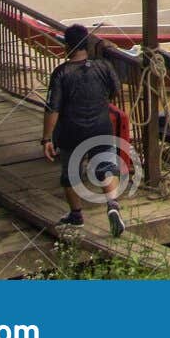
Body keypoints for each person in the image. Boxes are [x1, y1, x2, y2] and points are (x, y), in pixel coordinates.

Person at [41, 24, 126, 236]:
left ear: (66, 46)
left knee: (70, 174)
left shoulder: (61, 73)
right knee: (106, 166)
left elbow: (53, 108)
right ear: (87, 45)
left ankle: (76, 215)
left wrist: (46, 138)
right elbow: (115, 91)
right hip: (101, 125)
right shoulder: (104, 66)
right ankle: (113, 205)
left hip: (71, 130)